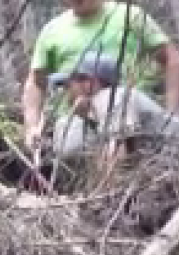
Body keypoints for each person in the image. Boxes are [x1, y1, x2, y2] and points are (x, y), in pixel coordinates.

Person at [22, 0, 179, 154]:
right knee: (68, 149)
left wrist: (172, 111)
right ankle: (99, 175)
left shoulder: (129, 16)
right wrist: (32, 127)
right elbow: (36, 82)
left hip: (132, 111)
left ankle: (117, 169)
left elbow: (171, 58)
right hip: (77, 116)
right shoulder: (52, 30)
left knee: (114, 98)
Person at [50, 51, 179, 177]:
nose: (66, 92)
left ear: (88, 83)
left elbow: (118, 154)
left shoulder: (113, 97)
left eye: (68, 85)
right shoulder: (98, 108)